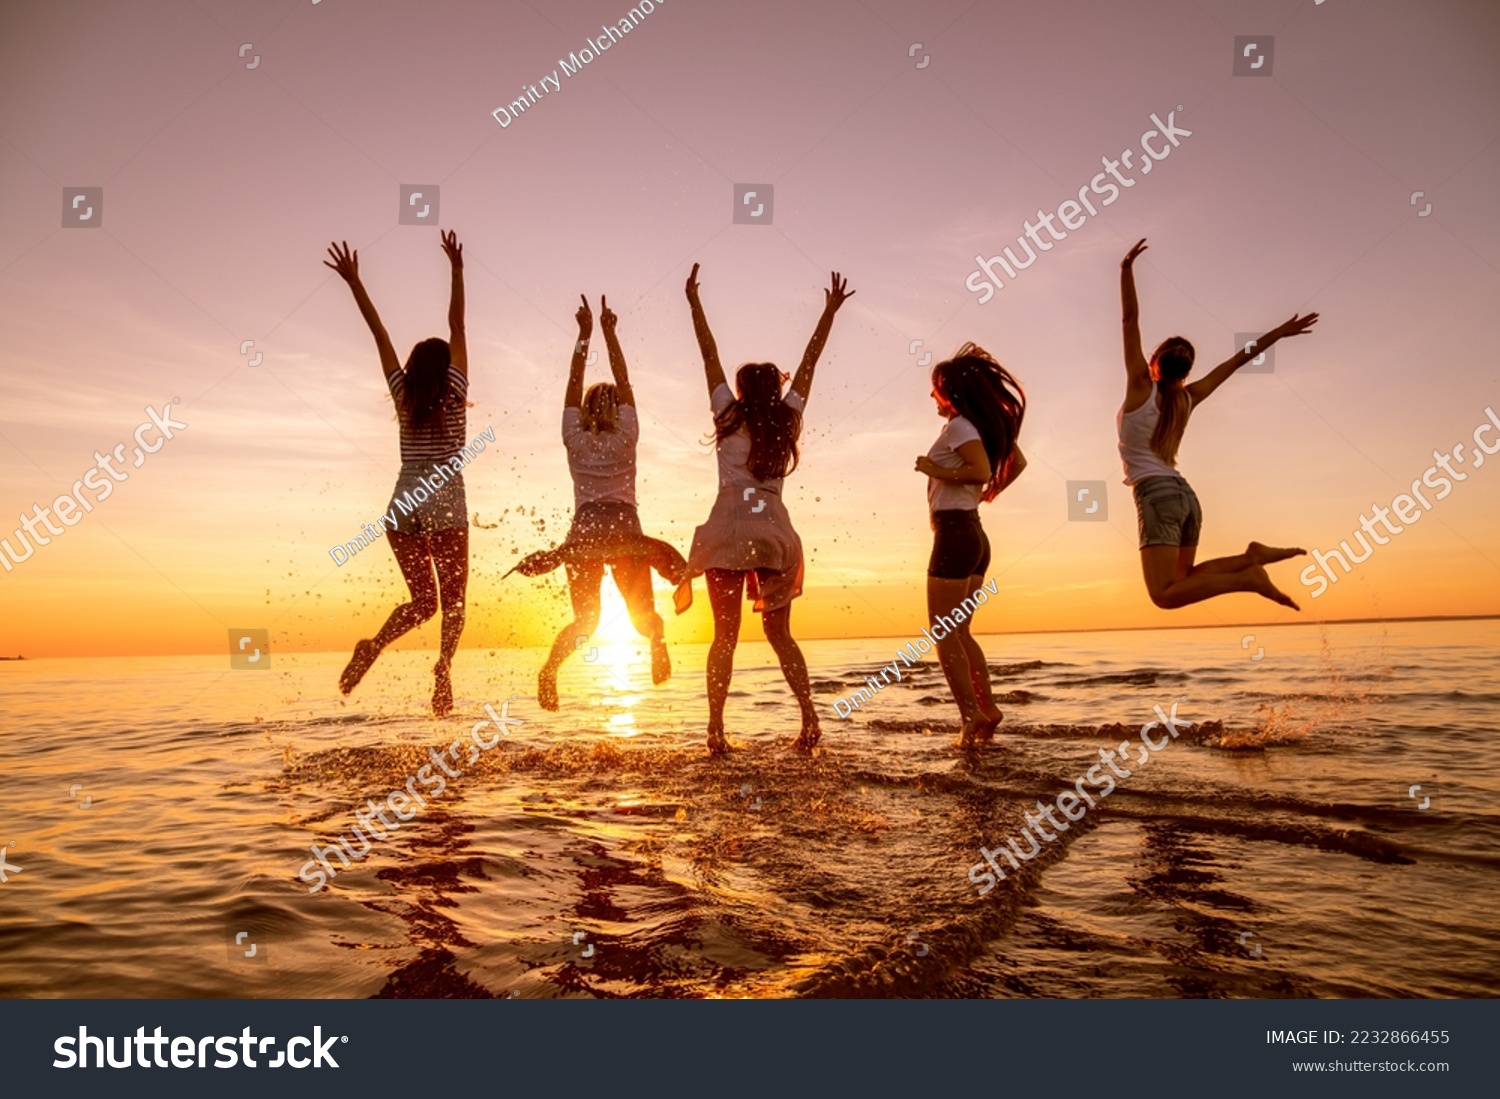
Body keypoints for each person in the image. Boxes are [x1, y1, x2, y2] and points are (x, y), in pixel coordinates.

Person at [683, 263, 854, 754]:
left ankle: (716, 730)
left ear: (739, 391)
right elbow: (811, 361)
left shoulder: (726, 413)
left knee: (724, 638)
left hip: (729, 526)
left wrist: (694, 303)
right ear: (775, 391)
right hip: (774, 526)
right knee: (780, 635)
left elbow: (708, 353)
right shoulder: (788, 419)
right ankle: (810, 719)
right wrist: (829, 312)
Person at [1118, 238, 1318, 610]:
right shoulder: (1188, 398)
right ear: (1187, 370)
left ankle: (1247, 578)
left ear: (1154, 361)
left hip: (1158, 496)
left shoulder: (1139, 388)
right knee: (1182, 581)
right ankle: (1249, 560)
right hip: (1185, 497)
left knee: (1164, 595)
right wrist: (1279, 332)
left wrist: (1126, 270)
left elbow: (1130, 321)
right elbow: (1238, 360)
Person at [514, 295, 689, 711]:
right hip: (626, 533)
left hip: (586, 534)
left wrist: (584, 334)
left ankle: (550, 670)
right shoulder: (628, 434)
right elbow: (625, 380)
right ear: (618, 408)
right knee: (642, 616)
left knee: (586, 622)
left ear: (584, 410)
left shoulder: (573, 437)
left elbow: (573, 383)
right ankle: (658, 643)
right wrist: (611, 333)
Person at [325, 231, 470, 715]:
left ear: (411, 368)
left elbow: (380, 334)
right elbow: (458, 323)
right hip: (446, 498)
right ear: (448, 367)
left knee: (421, 602)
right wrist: (456, 268)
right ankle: (443, 672)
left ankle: (375, 644)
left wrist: (355, 283)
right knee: (452, 604)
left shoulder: (403, 396)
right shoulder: (455, 392)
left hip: (403, 502)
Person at [914, 344, 1027, 750]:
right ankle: (988, 708)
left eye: (935, 389)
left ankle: (970, 716)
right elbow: (1018, 462)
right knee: (960, 631)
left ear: (951, 392)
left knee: (943, 632)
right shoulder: (978, 425)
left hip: (955, 534)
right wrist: (987, 494)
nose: (932, 397)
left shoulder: (961, 426)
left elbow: (979, 470)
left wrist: (936, 469)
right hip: (973, 535)